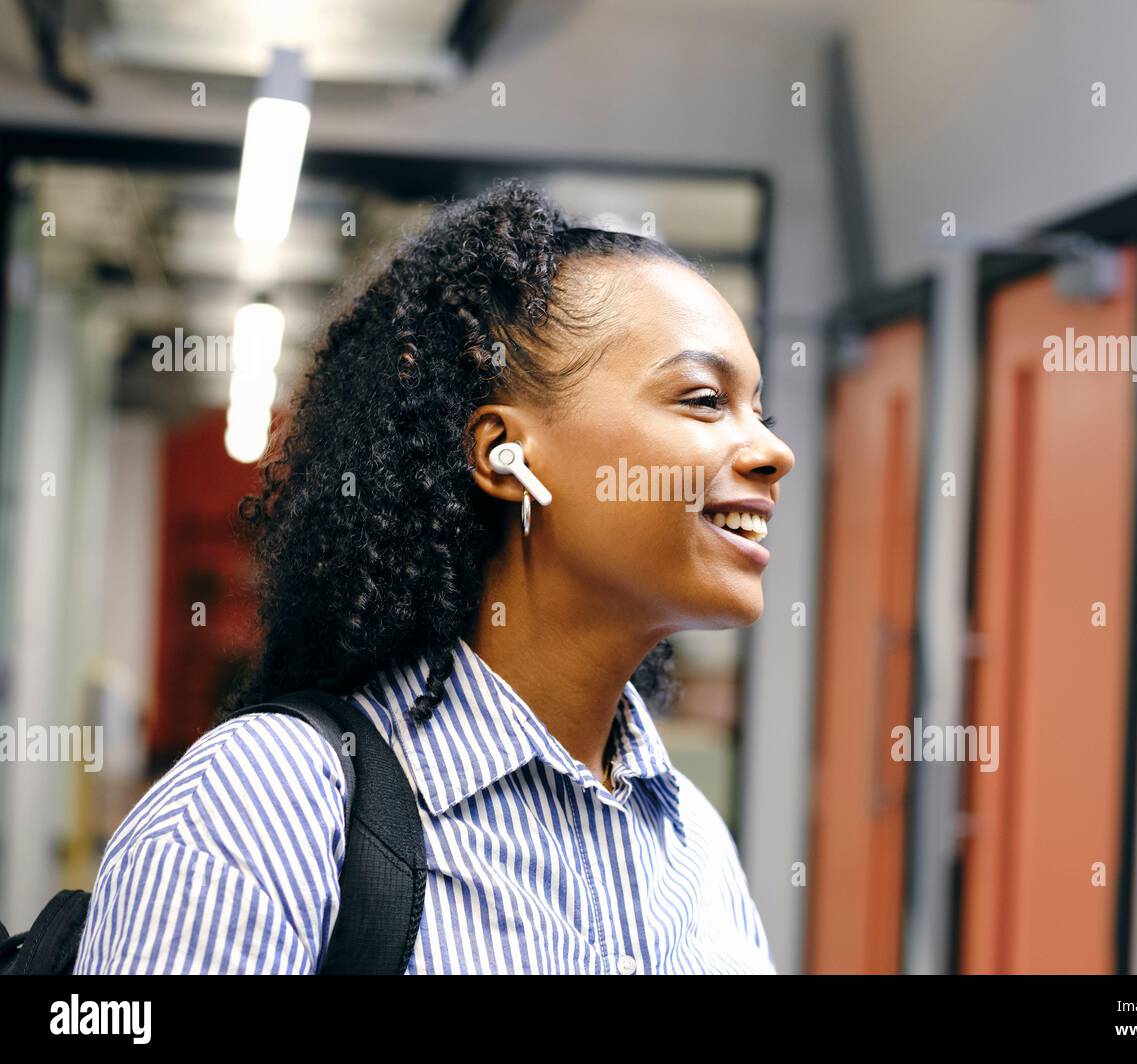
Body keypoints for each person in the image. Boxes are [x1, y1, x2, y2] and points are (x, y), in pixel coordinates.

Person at [73, 177, 795, 974]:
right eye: (702, 400)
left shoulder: (695, 841)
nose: (771, 451)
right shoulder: (260, 811)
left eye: (759, 411)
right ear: (504, 455)